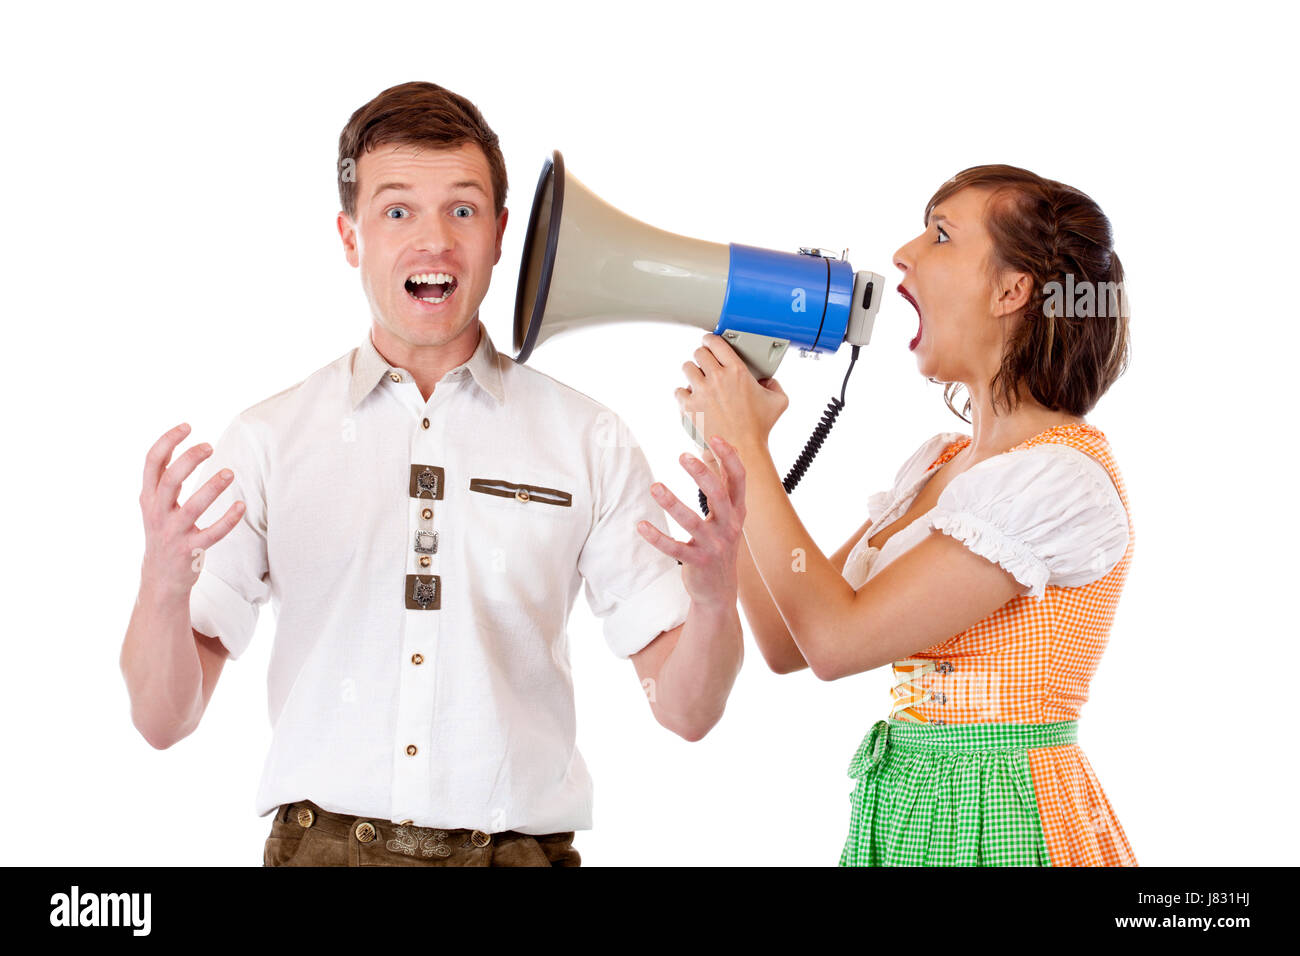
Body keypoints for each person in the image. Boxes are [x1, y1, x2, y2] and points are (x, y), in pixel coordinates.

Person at [119, 81, 746, 867]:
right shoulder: (268, 440)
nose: (434, 240)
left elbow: (687, 712)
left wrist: (717, 602)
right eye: (395, 210)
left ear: (499, 234)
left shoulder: (590, 440)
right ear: (350, 237)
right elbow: (161, 718)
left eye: (462, 208)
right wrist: (163, 587)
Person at [660, 164, 1137, 866]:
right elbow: (788, 641)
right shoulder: (939, 462)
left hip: (998, 814)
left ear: (1013, 290)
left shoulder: (1058, 479)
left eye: (941, 234)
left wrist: (756, 453)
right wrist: (737, 452)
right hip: (914, 805)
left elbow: (836, 642)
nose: (905, 254)